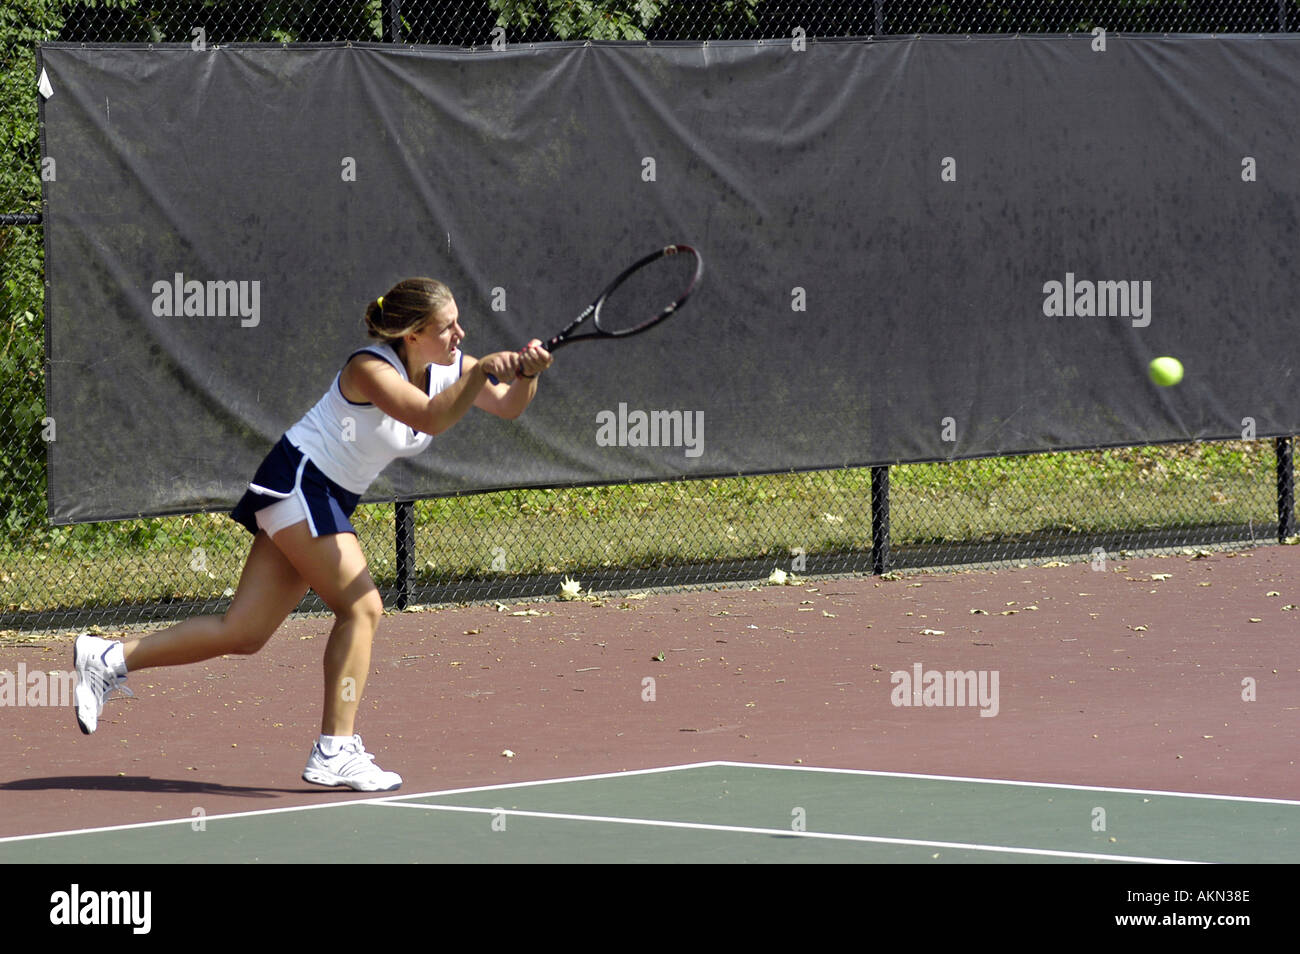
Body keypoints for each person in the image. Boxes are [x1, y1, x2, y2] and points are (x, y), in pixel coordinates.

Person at [71, 278, 551, 791]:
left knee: (244, 633)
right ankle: (335, 748)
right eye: (446, 326)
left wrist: (526, 374)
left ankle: (108, 659)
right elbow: (430, 417)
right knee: (363, 607)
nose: (460, 333)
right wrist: (480, 371)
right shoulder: (368, 368)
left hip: (326, 496)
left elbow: (508, 406)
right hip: (303, 483)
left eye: (458, 323)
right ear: (412, 335)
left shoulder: (447, 366)